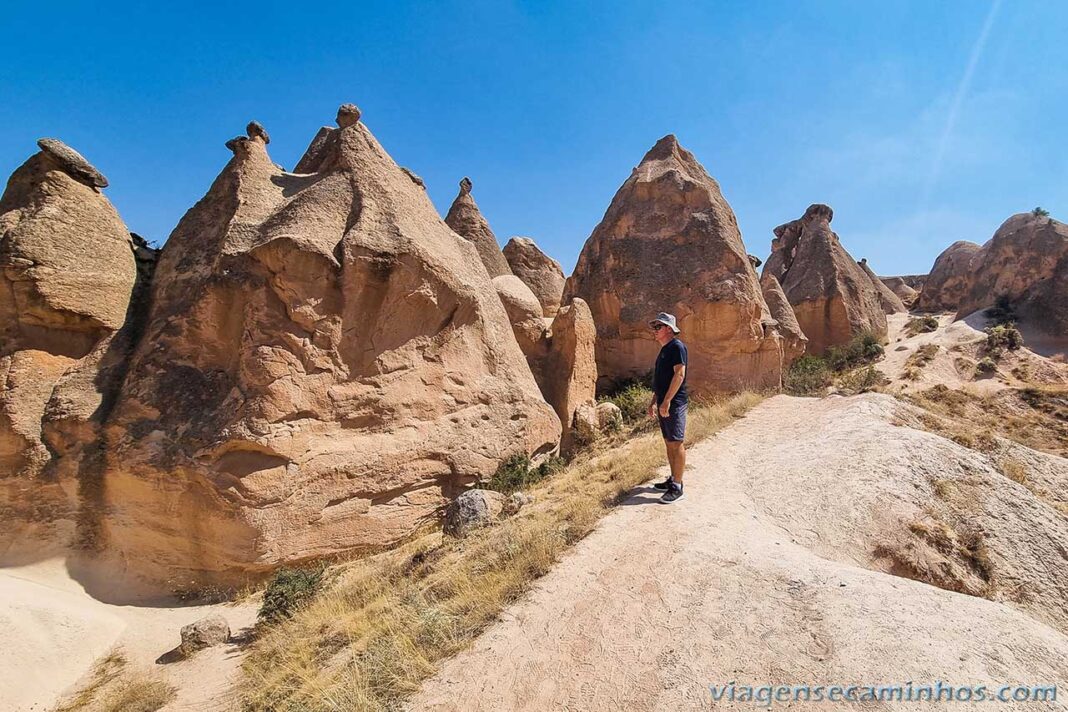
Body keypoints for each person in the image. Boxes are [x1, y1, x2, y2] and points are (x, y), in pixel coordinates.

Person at [647, 312, 688, 503]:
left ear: (669, 329)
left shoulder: (677, 347)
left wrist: (667, 401)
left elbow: (679, 374)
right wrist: (654, 401)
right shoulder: (664, 350)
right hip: (664, 401)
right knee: (668, 441)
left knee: (676, 442)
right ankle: (673, 478)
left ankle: (677, 486)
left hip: (675, 402)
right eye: (654, 327)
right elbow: (661, 379)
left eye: (658, 327)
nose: (654, 331)